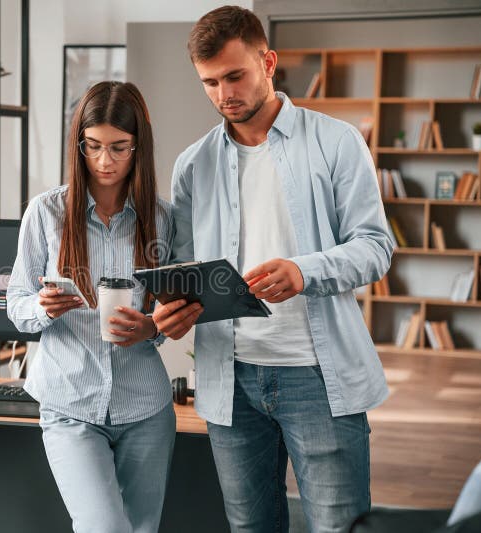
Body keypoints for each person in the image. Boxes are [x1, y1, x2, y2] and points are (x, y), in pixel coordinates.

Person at [151, 6, 394, 533]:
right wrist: (173, 308)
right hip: (228, 380)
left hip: (317, 378)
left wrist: (304, 271)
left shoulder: (336, 141)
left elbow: (376, 247)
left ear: (269, 62)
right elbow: (185, 267)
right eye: (210, 83)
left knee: (340, 527)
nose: (223, 95)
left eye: (235, 76)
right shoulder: (193, 164)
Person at [7, 81, 175, 533]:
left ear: (139, 145)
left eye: (119, 148)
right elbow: (16, 303)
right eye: (94, 146)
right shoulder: (45, 213)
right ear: (78, 144)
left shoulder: (161, 218)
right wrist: (43, 307)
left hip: (146, 407)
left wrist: (152, 327)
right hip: (69, 404)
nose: (105, 161)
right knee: (105, 528)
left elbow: (176, 307)